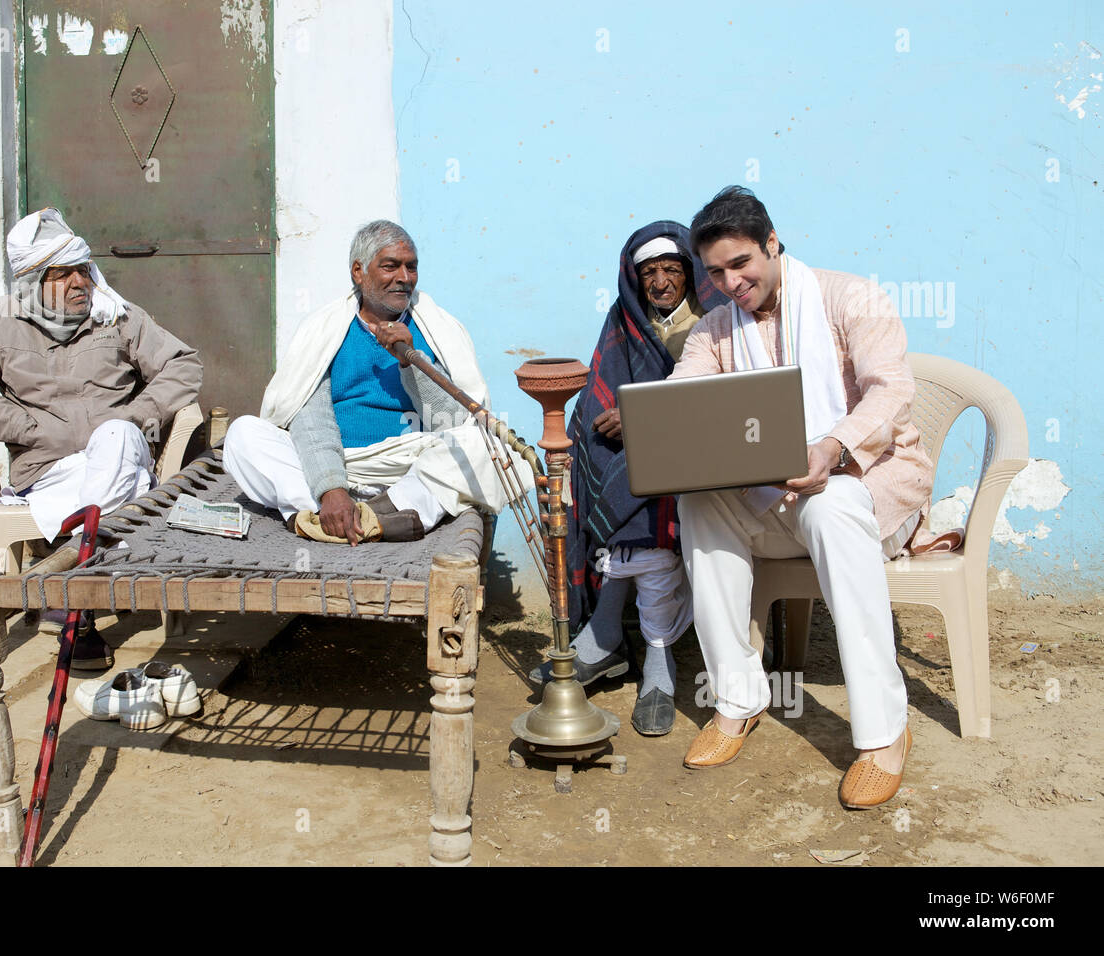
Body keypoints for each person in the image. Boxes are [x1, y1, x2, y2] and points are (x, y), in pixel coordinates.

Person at [671, 186, 932, 808]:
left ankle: (883, 734)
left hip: (867, 483)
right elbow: (683, 402)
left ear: (772, 243)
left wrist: (833, 447)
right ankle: (736, 701)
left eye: (741, 264)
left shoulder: (852, 298)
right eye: (715, 273)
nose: (731, 282)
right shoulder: (713, 331)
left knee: (833, 502)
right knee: (698, 504)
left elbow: (890, 390)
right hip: (769, 497)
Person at [0, 207, 202, 667]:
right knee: (129, 495)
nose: (81, 282)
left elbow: (183, 365)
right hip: (50, 469)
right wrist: (24, 428)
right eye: (64, 274)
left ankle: (71, 599)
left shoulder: (117, 316)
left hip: (120, 453)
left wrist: (138, 415)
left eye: (83, 269)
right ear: (33, 281)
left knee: (116, 438)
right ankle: (87, 591)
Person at [530, 221, 727, 736]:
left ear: (690, 273)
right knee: (596, 455)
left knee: (652, 480)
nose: (661, 282)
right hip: (634, 453)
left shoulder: (716, 322)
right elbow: (602, 392)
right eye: (649, 273)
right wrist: (623, 421)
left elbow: (724, 402)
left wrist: (644, 419)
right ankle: (613, 640)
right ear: (633, 279)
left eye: (671, 269)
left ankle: (637, 651)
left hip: (697, 451)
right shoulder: (623, 319)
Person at [223, 220, 529, 542]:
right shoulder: (325, 330)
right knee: (244, 435)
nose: (404, 278)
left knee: (484, 443)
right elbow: (310, 418)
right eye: (390, 266)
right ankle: (325, 511)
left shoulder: (434, 328)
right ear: (359, 271)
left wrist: (410, 360)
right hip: (338, 464)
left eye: (411, 267)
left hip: (408, 469)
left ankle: (377, 515)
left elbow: (453, 421)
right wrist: (332, 488)